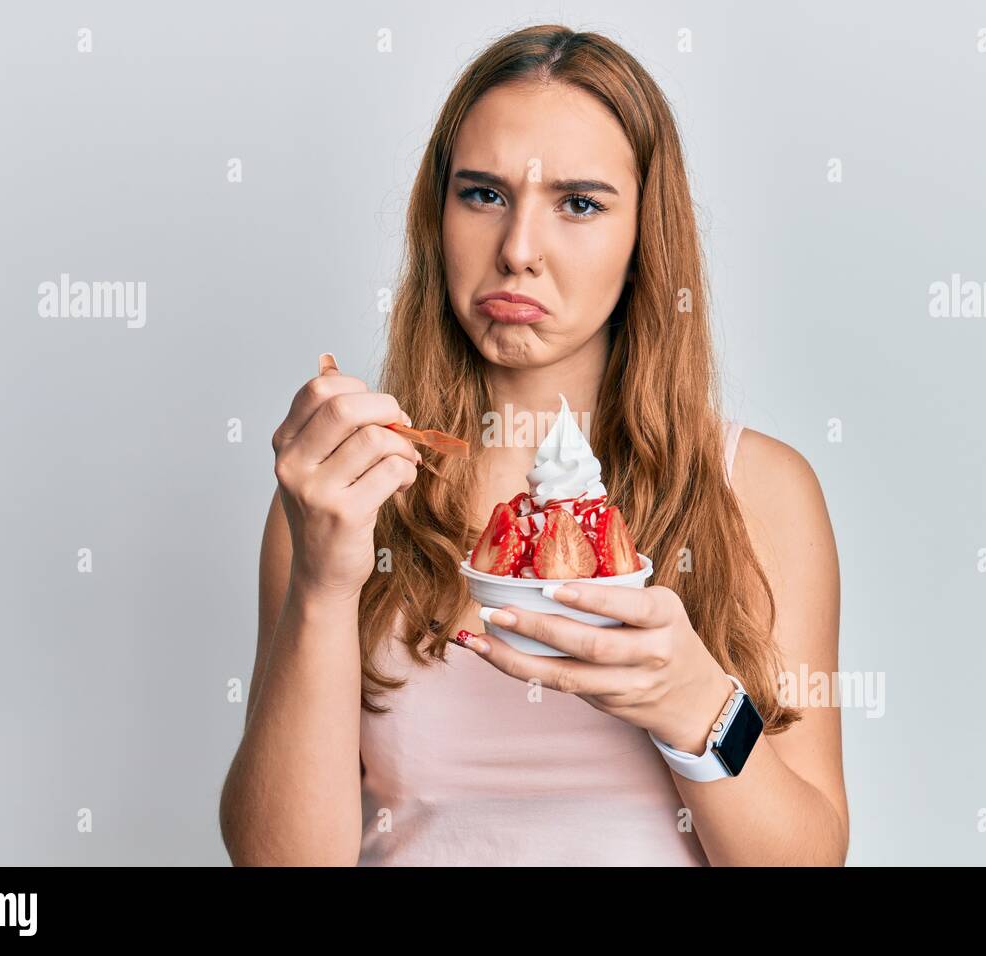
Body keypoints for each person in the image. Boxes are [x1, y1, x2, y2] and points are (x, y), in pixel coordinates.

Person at [219, 24, 846, 866]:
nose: (518, 251)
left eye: (579, 204)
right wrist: (326, 588)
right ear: (436, 215)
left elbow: (809, 859)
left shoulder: (759, 489)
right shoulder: (347, 484)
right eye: (482, 194)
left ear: (643, 240)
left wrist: (694, 700)